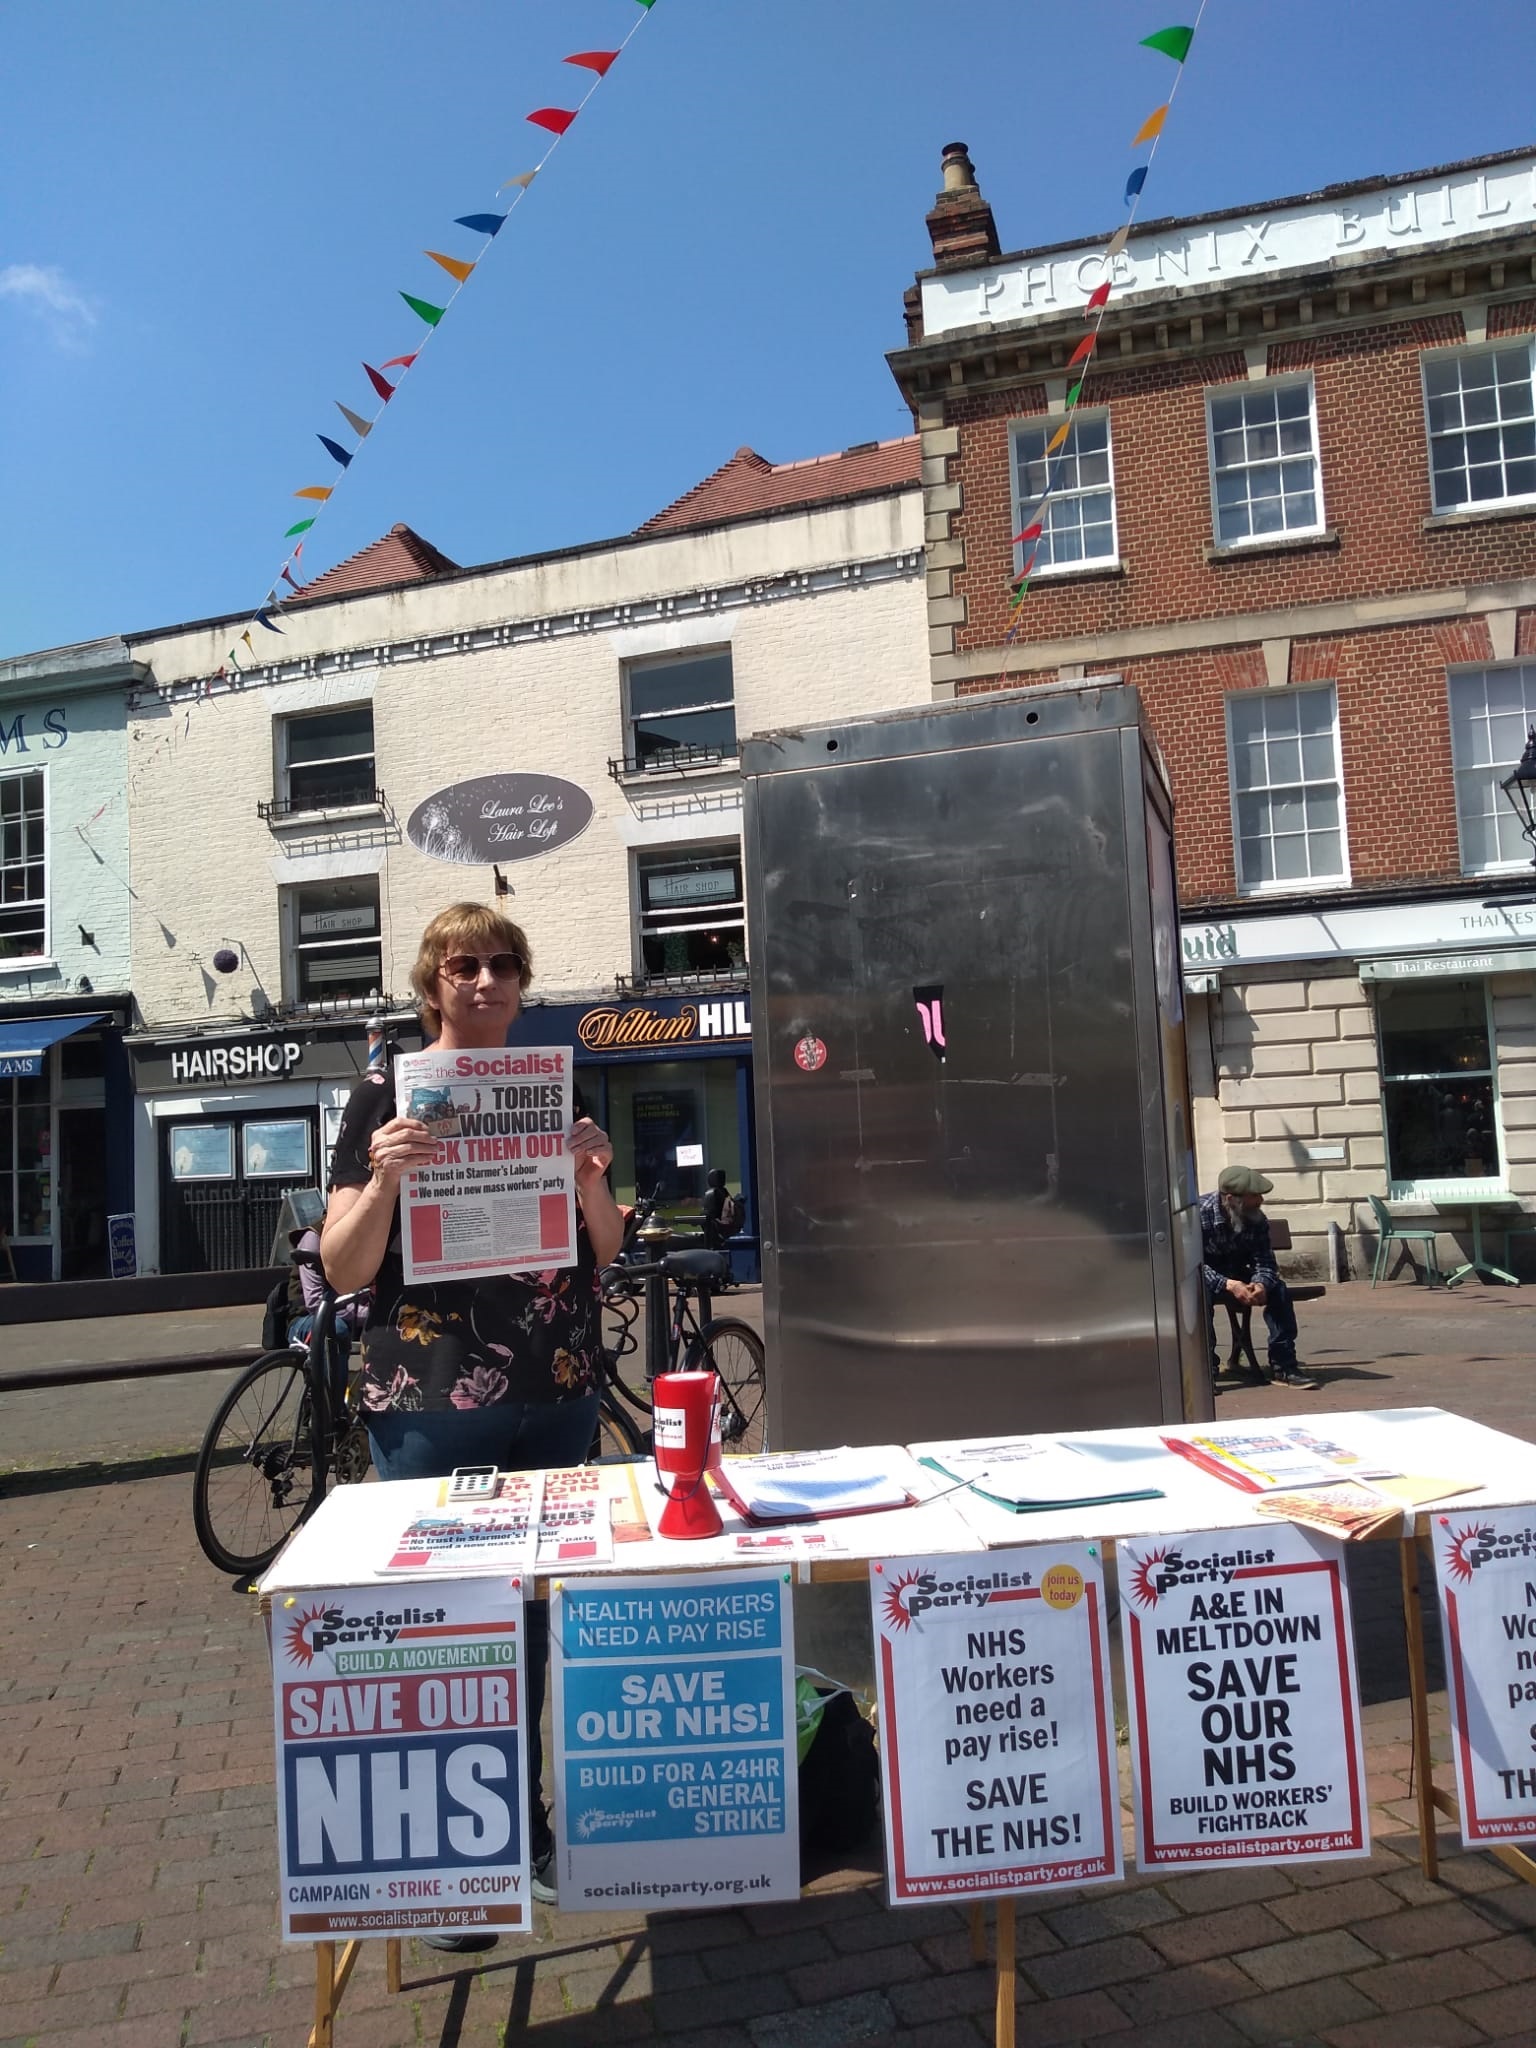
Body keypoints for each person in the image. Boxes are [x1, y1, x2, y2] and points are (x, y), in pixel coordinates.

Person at [321, 903, 623, 1944]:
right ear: (432, 980)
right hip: (432, 1398)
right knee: (445, 1618)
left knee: (535, 1615)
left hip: (558, 1383)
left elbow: (607, 1248)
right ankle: (451, 1857)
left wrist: (592, 1181)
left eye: (503, 965)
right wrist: (392, 1175)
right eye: (465, 965)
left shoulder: (552, 1088)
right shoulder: (382, 1093)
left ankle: (525, 1827)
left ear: (523, 981)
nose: (485, 980)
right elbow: (343, 1265)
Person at [1199, 1164, 1317, 1391]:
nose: (1261, 1200)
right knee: (1196, 1295)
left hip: (1240, 1273)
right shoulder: (1198, 1215)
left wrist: (1261, 1283)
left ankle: (1284, 1366)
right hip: (1206, 1276)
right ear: (1231, 1199)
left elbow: (1264, 1261)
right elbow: (1192, 1266)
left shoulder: (1256, 1218)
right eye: (1254, 1196)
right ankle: (1206, 1371)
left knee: (1278, 1290)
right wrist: (1228, 1284)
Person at [700, 1166, 741, 1249]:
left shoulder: (715, 1193)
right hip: (721, 1229)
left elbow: (706, 1215)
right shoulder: (718, 1193)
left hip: (720, 1229)